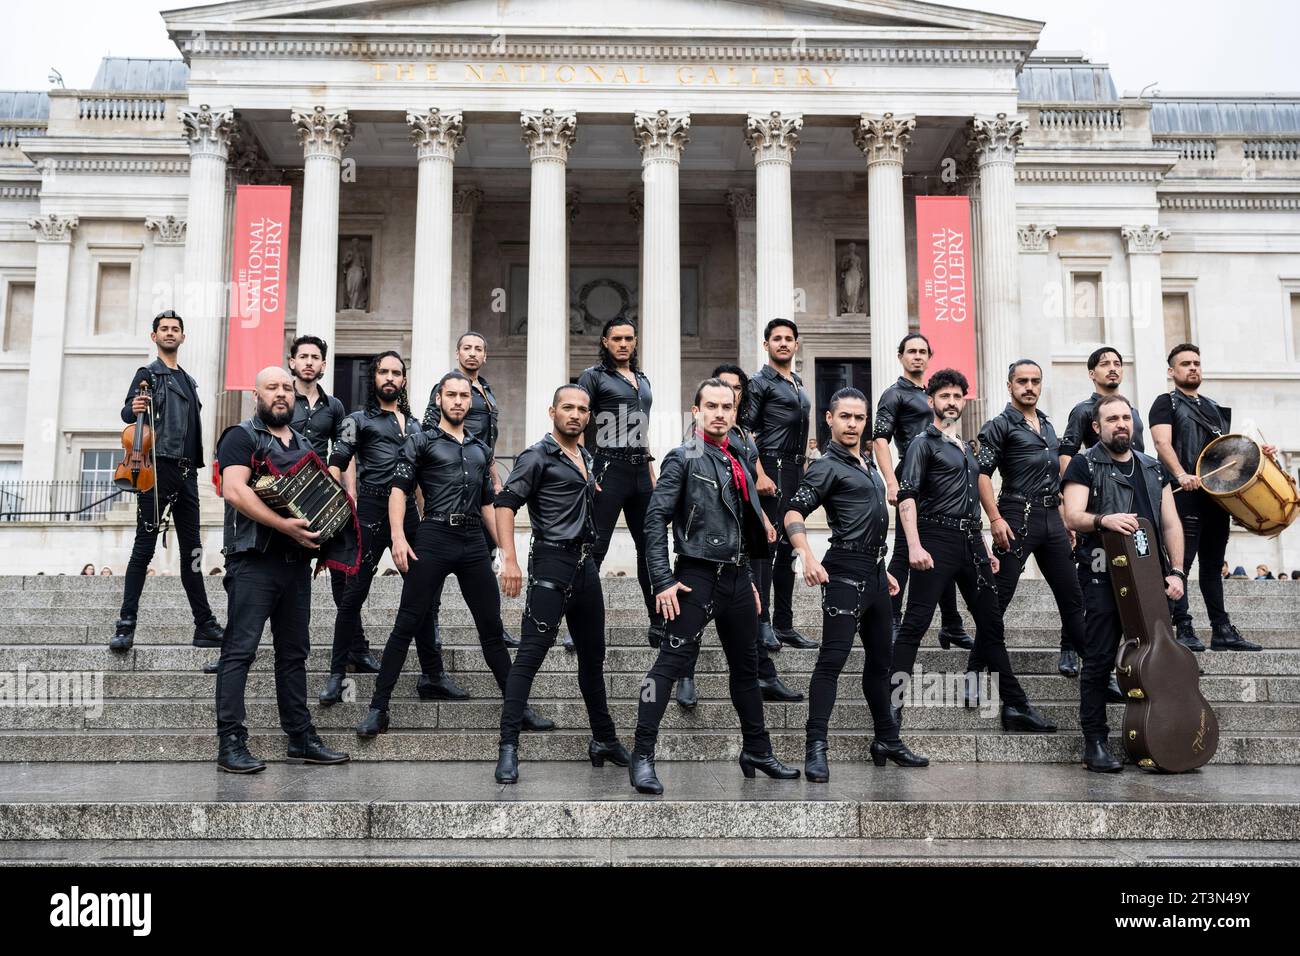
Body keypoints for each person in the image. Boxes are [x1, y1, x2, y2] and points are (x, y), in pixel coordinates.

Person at [356, 372, 551, 737]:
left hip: (473, 542)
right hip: (433, 536)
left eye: (465, 395)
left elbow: (489, 504)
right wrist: (398, 537)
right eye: (452, 395)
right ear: (439, 400)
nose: (460, 401)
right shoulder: (420, 441)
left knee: (492, 632)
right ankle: (378, 708)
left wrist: (508, 554)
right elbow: (399, 490)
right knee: (406, 624)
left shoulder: (480, 449)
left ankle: (518, 708)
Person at [630, 378, 800, 795]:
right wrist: (663, 580)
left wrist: (751, 580)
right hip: (695, 576)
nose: (720, 413)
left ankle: (757, 750)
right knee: (666, 668)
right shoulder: (682, 457)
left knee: (748, 669)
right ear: (696, 411)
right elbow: (655, 520)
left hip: (738, 580)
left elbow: (743, 522)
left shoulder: (739, 457)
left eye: (727, 406)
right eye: (712, 406)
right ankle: (642, 754)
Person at [890, 368, 1056, 735]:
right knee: (914, 626)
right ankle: (891, 706)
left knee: (992, 626)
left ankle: (1017, 708)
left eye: (957, 396)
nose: (951, 402)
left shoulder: (966, 448)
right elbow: (907, 497)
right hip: (934, 541)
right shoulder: (923, 443)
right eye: (944, 396)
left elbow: (969, 503)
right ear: (931, 401)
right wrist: (914, 544)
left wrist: (983, 546)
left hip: (971, 545)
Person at [784, 387, 927, 781]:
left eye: (859, 418)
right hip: (844, 572)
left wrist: (884, 574)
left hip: (876, 575)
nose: (852, 424)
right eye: (844, 416)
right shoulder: (825, 465)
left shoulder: (865, 463)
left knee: (882, 664)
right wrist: (807, 555)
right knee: (832, 661)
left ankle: (887, 739)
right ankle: (816, 747)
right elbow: (794, 510)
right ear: (829, 419)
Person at [213, 366, 350, 773]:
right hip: (253, 561)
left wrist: (326, 536)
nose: (281, 394)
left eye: (287, 388)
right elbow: (234, 490)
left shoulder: (306, 442)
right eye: (272, 387)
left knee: (294, 654)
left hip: (295, 564)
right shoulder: (240, 436)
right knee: (239, 652)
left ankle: (300, 737)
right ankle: (230, 743)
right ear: (256, 394)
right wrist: (281, 524)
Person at [493, 385, 627, 784]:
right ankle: (507, 748)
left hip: (585, 568)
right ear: (552, 411)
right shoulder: (536, 455)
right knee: (530, 657)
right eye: (567, 407)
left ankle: (603, 739)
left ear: (589, 417)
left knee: (593, 659)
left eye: (582, 409)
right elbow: (505, 505)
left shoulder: (585, 456)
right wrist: (510, 560)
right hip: (550, 563)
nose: (575, 414)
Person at [321, 351, 461, 706]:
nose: (389, 377)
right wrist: (329, 513)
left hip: (412, 519)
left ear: (404, 380)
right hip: (368, 511)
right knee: (352, 597)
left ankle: (433, 676)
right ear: (375, 377)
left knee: (425, 598)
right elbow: (336, 464)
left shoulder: (417, 427)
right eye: (383, 371)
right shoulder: (356, 420)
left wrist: (430, 517)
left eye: (396, 372)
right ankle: (337, 675)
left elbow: (420, 481)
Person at [973, 361, 1117, 704]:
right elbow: (981, 475)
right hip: (1016, 514)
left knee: (1074, 600)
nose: (1029, 386)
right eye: (1022, 381)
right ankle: (975, 671)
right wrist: (994, 519)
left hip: (1053, 517)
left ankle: (1098, 674)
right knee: (997, 600)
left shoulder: (1049, 426)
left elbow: (1059, 475)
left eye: (1035, 381)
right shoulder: (999, 425)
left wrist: (1068, 518)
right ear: (1010, 386)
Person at [1062, 394, 1186, 772]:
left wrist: (1177, 571)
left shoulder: (1152, 467)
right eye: (1112, 418)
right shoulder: (1084, 464)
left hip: (1152, 577)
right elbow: (1073, 515)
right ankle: (1095, 742)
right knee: (1099, 659)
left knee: (1161, 661)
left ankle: (1163, 735)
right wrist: (1104, 520)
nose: (1121, 424)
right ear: (1097, 427)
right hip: (1102, 573)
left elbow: (1170, 524)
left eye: (1126, 417)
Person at [676, 364, 802, 709]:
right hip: (708, 543)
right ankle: (685, 676)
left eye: (734, 392)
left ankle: (766, 673)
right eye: (718, 395)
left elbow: (748, 479)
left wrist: (762, 518)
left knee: (755, 608)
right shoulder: (698, 440)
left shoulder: (744, 434)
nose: (725, 402)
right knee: (693, 618)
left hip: (747, 535)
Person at [109, 310, 223, 653]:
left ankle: (204, 626)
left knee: (193, 553)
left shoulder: (188, 379)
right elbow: (128, 414)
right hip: (156, 470)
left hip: (188, 472)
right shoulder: (148, 374)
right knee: (143, 549)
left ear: (183, 337)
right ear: (154, 336)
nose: (170, 333)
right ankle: (126, 625)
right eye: (164, 329)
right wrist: (136, 404)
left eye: (175, 329)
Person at [1150, 344, 1272, 651]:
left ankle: (1221, 630)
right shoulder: (1166, 403)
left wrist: (1259, 454)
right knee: (1181, 564)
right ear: (1172, 371)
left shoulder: (1214, 408)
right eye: (1186, 363)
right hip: (1184, 495)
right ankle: (1184, 627)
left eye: (1197, 363)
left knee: (1213, 566)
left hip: (1216, 498)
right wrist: (1180, 474)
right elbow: (1162, 443)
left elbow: (1226, 456)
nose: (1193, 368)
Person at [872, 333, 973, 651]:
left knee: (940, 553)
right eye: (911, 351)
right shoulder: (894, 394)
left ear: (929, 356)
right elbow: (879, 440)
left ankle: (952, 625)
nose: (917, 356)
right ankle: (890, 619)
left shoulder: (935, 394)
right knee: (904, 552)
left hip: (943, 482)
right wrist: (891, 481)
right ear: (900, 356)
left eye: (922, 352)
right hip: (911, 480)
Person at [422, 331, 519, 649]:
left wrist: (492, 477)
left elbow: (485, 443)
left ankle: (493, 625)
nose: (473, 353)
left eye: (479, 349)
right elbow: (428, 431)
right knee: (433, 569)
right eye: (467, 348)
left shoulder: (486, 390)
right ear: (457, 352)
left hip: (477, 475)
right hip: (450, 479)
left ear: (485, 356)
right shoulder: (449, 388)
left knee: (489, 548)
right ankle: (431, 626)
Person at [1055, 345, 1148, 676]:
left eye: (1117, 363)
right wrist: (1071, 505)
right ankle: (1069, 646)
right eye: (1105, 363)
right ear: (1092, 373)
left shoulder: (1132, 412)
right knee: (1087, 584)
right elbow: (1066, 454)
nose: (1112, 368)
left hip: (1130, 508)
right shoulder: (1083, 411)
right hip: (1094, 504)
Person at [576, 319, 662, 649]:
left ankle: (658, 622)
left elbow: (643, 426)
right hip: (608, 467)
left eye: (628, 338)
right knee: (594, 548)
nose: (623, 344)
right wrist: (584, 468)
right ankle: (578, 624)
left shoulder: (642, 379)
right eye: (616, 339)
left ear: (635, 341)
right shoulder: (593, 377)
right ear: (605, 341)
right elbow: (579, 422)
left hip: (641, 472)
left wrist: (651, 470)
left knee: (650, 549)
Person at [288, 334, 367, 655]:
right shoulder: (280, 399)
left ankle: (357, 647)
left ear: (323, 364)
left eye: (315, 357)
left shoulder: (335, 406)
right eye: (303, 356)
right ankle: (292, 647)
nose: (308, 362)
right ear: (292, 362)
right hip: (286, 499)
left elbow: (345, 450)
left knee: (341, 573)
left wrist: (351, 495)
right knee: (292, 574)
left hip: (324, 497)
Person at [743, 318, 819, 651]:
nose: (783, 343)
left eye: (789, 338)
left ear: (796, 345)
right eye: (777, 339)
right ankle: (761, 623)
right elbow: (745, 430)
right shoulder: (759, 383)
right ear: (766, 345)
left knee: (789, 547)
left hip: (793, 468)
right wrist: (758, 473)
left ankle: (785, 625)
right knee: (767, 548)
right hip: (770, 465)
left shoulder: (797, 382)